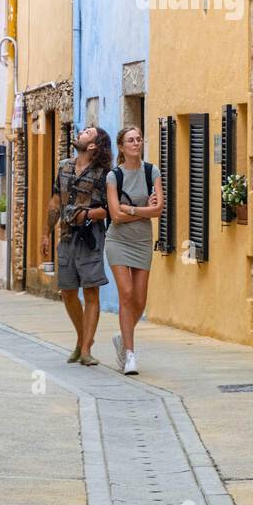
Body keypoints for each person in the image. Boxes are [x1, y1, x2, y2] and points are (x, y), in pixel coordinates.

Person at [42, 126, 112, 365]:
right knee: (68, 291)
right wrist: (46, 233)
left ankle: (86, 350)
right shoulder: (64, 166)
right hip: (66, 237)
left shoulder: (104, 174)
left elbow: (110, 209)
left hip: (90, 237)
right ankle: (82, 339)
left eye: (87, 132)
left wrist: (87, 214)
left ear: (93, 145)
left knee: (91, 290)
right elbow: (55, 201)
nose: (81, 132)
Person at [105, 126, 163, 376]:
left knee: (140, 300)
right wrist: (142, 212)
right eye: (131, 140)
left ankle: (122, 334)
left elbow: (158, 210)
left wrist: (131, 210)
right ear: (121, 146)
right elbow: (114, 216)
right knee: (126, 294)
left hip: (141, 242)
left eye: (139, 139)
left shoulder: (152, 171)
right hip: (117, 242)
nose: (136, 143)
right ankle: (130, 355)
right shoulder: (113, 177)